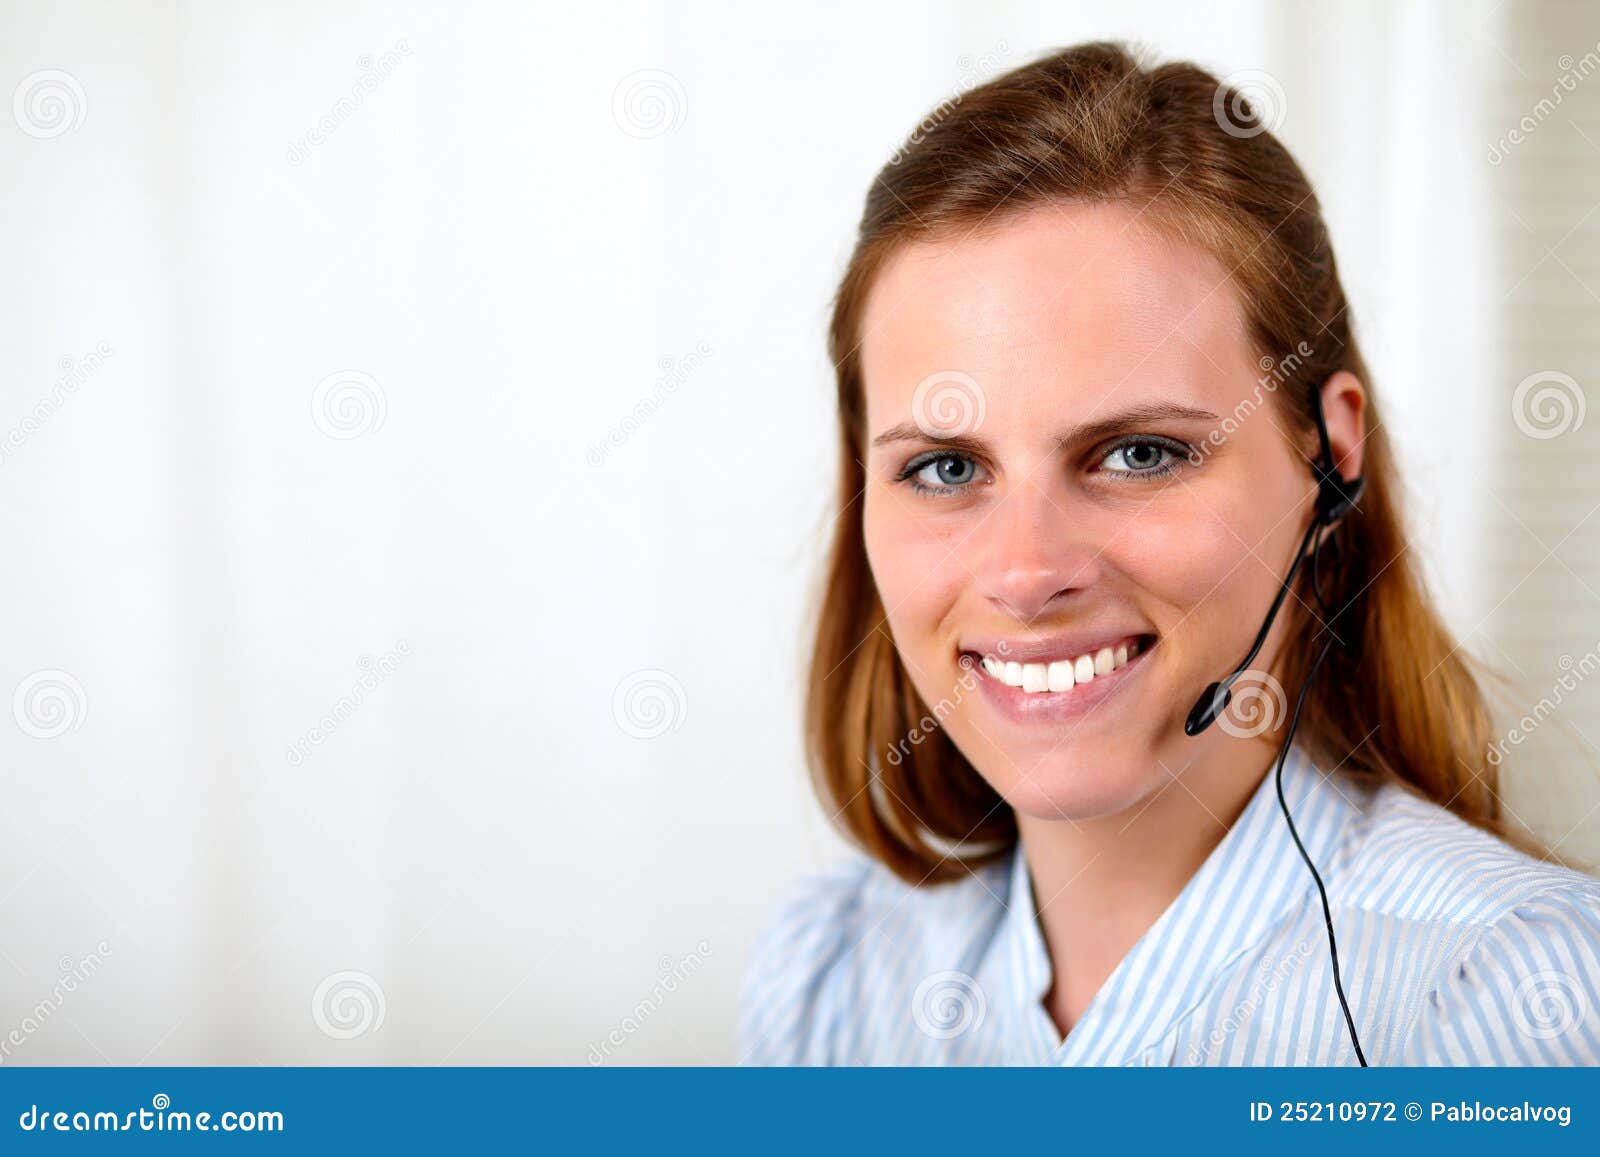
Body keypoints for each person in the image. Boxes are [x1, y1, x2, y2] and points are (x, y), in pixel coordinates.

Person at [736, 41, 1600, 1066]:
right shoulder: (828, 975)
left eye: (1138, 452)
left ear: (1330, 451)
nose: (1024, 571)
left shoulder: (1516, 990)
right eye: (945, 469)